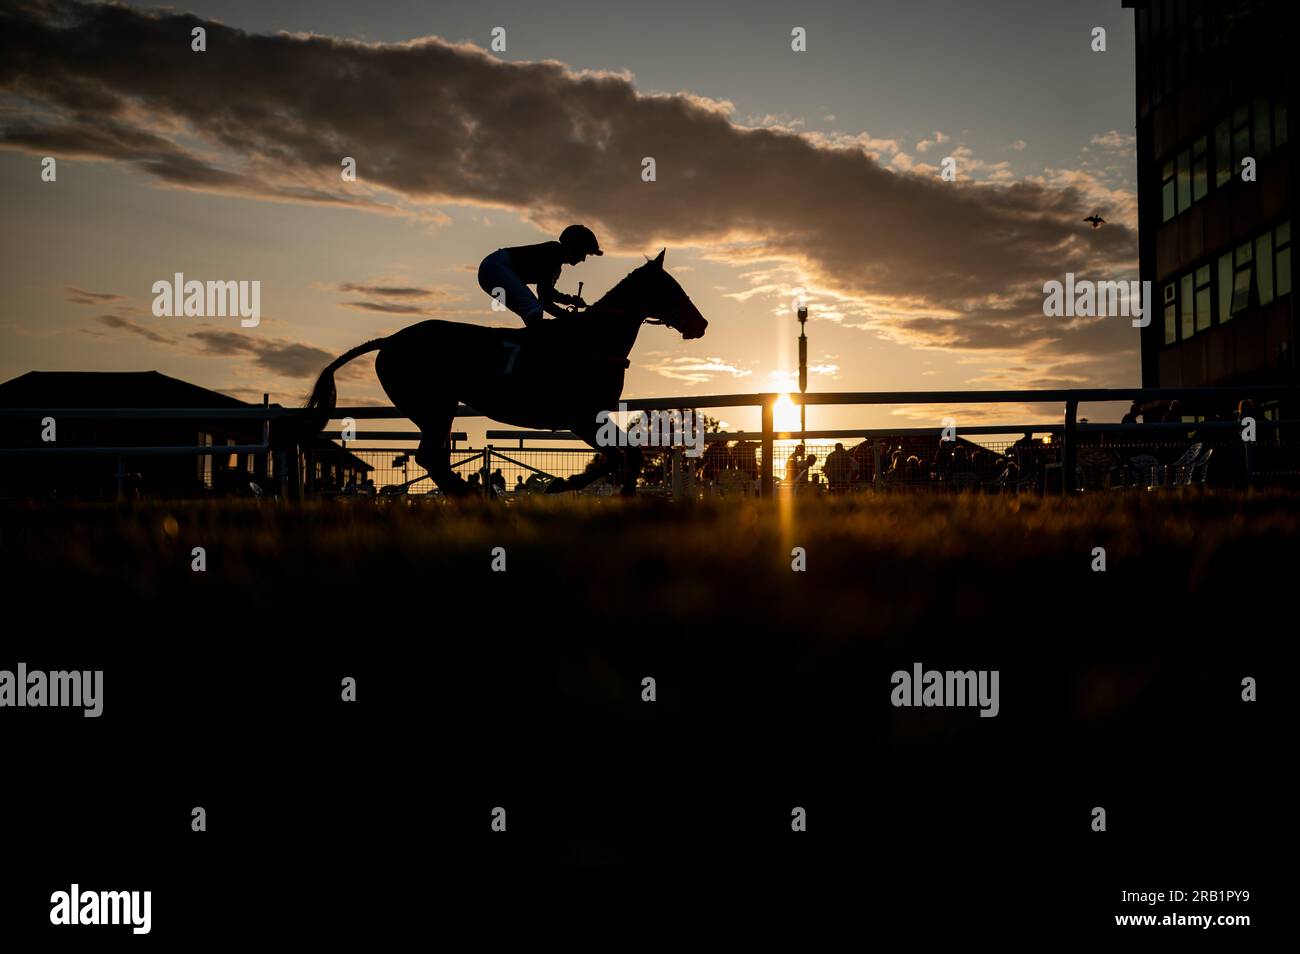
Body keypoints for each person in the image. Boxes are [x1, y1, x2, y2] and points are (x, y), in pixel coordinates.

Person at [477, 225, 603, 328]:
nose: (583, 259)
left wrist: (570, 302)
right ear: (575, 248)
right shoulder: (553, 254)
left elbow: (546, 297)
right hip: (496, 267)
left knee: (533, 311)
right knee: (533, 309)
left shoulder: (555, 259)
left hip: (492, 268)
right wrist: (569, 317)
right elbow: (545, 300)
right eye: (584, 253)